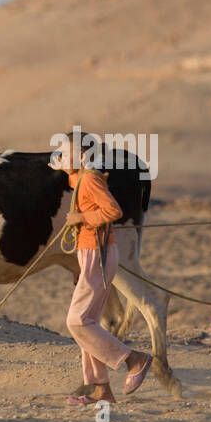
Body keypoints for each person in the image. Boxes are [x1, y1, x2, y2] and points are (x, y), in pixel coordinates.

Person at [49, 147, 152, 405]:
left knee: (77, 322)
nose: (61, 157)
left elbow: (113, 211)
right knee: (89, 322)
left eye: (66, 153)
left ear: (83, 157)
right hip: (90, 251)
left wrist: (80, 217)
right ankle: (101, 391)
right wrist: (62, 168)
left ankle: (134, 359)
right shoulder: (81, 179)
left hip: (99, 251)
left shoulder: (91, 179)